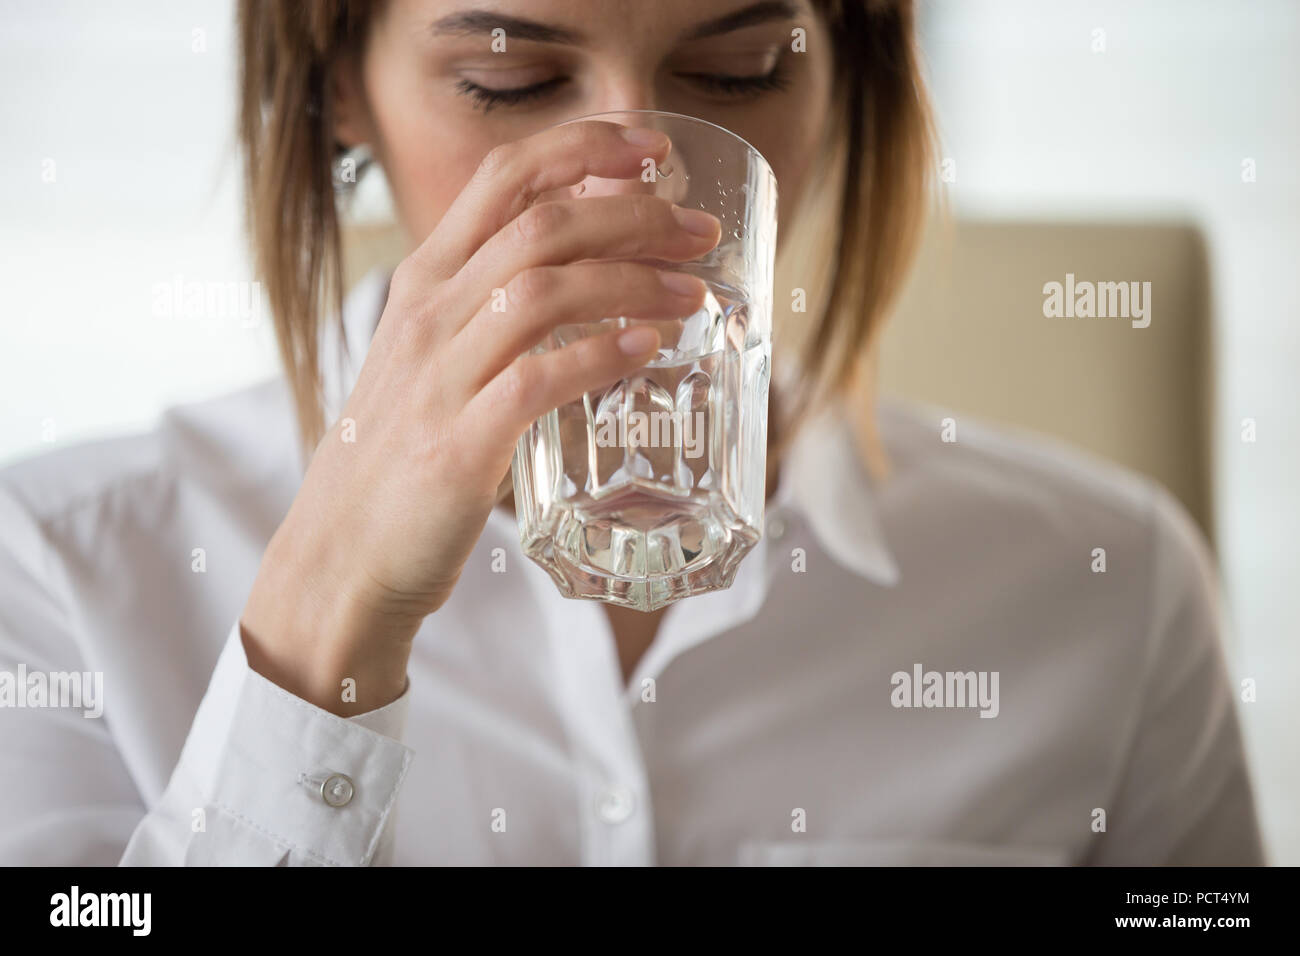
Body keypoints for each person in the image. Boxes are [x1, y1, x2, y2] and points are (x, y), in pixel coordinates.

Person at [0, 0, 1264, 866]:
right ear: (340, 88)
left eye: (741, 71)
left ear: (848, 71)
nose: (639, 175)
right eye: (511, 80)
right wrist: (327, 613)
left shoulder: (1110, 589)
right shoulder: (57, 569)